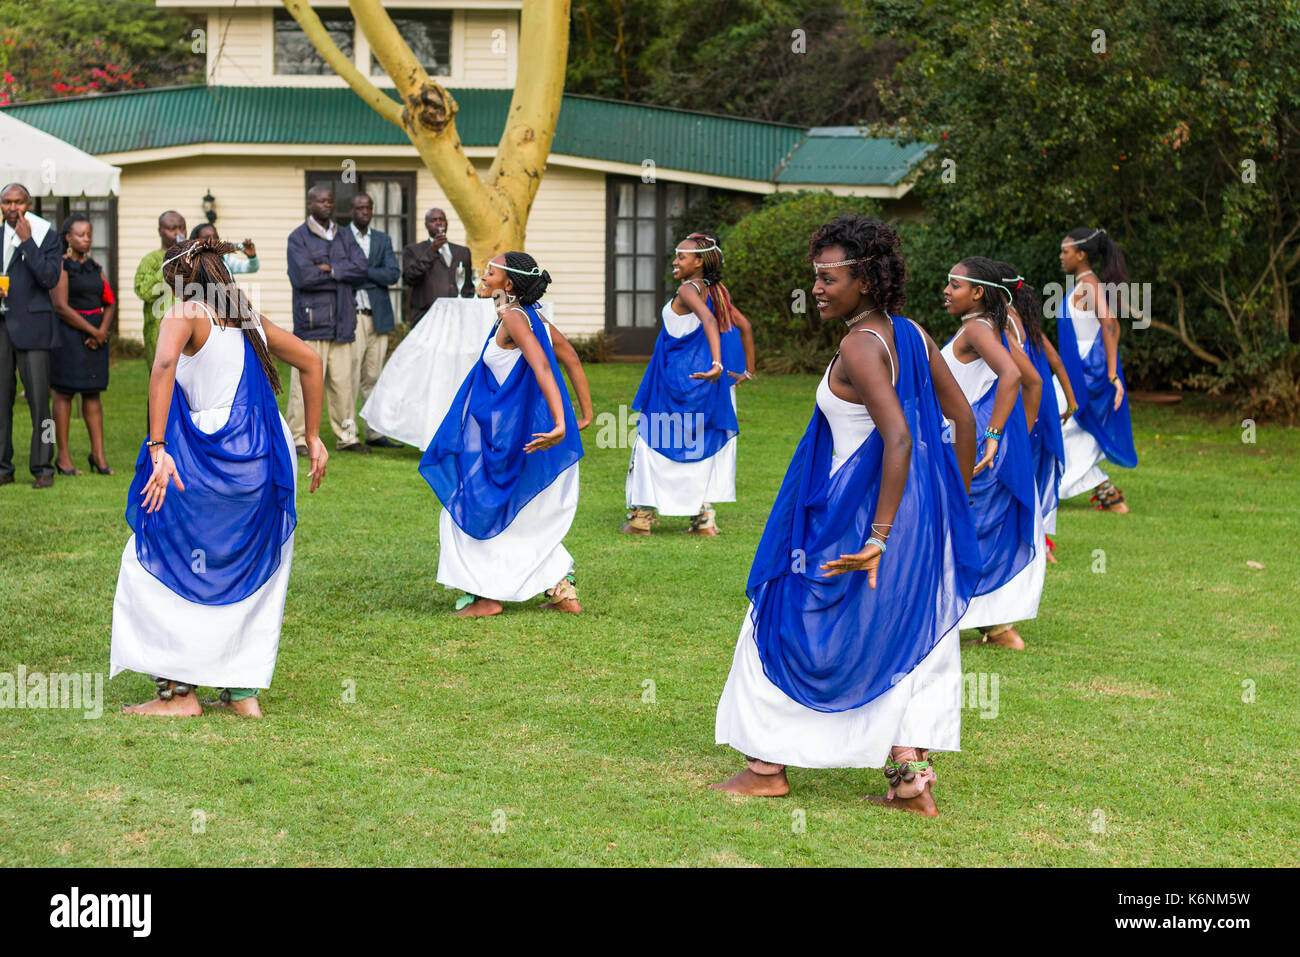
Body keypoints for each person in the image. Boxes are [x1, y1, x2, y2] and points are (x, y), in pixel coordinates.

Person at [713, 216, 981, 817]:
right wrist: (946, 508)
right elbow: (964, 421)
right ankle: (911, 783)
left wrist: (879, 537)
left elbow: (901, 439)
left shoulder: (861, 345)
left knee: (777, 624)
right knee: (902, 642)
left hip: (857, 519)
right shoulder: (911, 334)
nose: (819, 288)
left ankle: (765, 768)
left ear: (865, 280)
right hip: (915, 520)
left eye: (830, 278)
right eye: (816, 277)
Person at [111, 236, 328, 716]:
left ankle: (180, 695)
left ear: (178, 277)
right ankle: (240, 691)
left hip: (204, 462)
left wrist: (158, 446)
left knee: (158, 566)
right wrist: (312, 436)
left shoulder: (183, 313)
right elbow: (311, 362)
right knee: (247, 573)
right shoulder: (246, 319)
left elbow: (164, 364)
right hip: (264, 462)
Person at [419, 251, 590, 618]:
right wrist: (586, 412)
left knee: (464, 512)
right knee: (524, 518)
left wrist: (562, 422)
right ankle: (561, 588)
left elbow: (542, 363)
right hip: (520, 436)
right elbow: (571, 356)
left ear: (508, 284)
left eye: (491, 272)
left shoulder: (513, 317)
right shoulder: (531, 316)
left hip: (514, 440)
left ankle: (486, 598)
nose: (483, 275)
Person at [939, 257, 1043, 650]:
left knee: (961, 526)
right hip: (977, 442)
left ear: (978, 293)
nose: (946, 291)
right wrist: (1019, 434)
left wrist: (996, 433)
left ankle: (987, 623)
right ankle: (997, 627)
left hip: (972, 445)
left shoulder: (977, 329)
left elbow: (1015, 377)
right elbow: (1033, 381)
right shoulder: (992, 328)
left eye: (955, 285)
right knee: (972, 528)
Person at [621, 234, 734, 536]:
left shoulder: (688, 288)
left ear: (699, 261)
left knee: (649, 441)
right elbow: (732, 326)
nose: (674, 261)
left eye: (682, 256)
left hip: (679, 378)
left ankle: (641, 517)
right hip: (696, 379)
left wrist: (718, 364)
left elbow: (710, 322)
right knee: (692, 442)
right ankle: (703, 517)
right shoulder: (713, 289)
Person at [994, 261, 1078, 562]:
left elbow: (1019, 371)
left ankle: (1029, 538)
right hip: (1044, 402)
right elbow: (1054, 358)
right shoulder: (1024, 318)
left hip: (1025, 402)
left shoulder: (1002, 321)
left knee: (1018, 468)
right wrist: (1071, 400)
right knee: (1030, 467)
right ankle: (1036, 536)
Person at [285, 185, 371, 455]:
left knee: (344, 386)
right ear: (310, 204)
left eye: (330, 201)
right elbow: (303, 278)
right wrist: (341, 275)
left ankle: (347, 437)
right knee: (302, 386)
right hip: (311, 325)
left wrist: (331, 269)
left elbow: (362, 269)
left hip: (344, 323)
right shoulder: (298, 238)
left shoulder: (345, 235)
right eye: (321, 201)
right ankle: (297, 439)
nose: (326, 205)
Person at [1056, 227, 1138, 512]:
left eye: (1065, 251)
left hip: (1085, 373)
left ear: (1081, 254)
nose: (1061, 257)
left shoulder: (1089, 284)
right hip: (1075, 370)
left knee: (1054, 425)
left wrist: (1113, 374)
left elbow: (1110, 324)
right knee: (1065, 427)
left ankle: (1105, 493)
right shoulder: (1083, 284)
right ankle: (1107, 494)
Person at [0, 183, 62, 489]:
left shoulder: (46, 235)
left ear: (28, 204)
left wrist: (27, 243)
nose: (13, 208)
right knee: (1, 399)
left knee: (40, 402)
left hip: (35, 329)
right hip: (2, 327)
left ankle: (43, 467)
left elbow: (50, 277)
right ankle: (2, 467)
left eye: (18, 202)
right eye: (6, 202)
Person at [50, 213, 117, 476]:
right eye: (80, 234)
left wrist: (102, 331)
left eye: (89, 234)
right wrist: (94, 331)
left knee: (93, 394)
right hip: (68, 337)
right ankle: (63, 458)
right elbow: (60, 306)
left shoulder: (95, 267)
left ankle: (98, 456)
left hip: (95, 339)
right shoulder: (60, 266)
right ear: (68, 237)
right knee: (64, 393)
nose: (86, 239)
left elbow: (109, 301)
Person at [347, 193, 402, 448]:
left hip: (378, 316)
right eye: (359, 208)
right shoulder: (341, 238)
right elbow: (343, 275)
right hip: (351, 316)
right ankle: (348, 435)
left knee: (373, 377)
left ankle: (374, 433)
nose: (364, 211)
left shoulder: (383, 239)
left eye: (368, 207)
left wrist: (362, 273)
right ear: (352, 210)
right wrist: (371, 276)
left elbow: (392, 274)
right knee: (348, 377)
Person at [402, 207, 474, 325]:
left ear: (446, 223)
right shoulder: (413, 250)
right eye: (433, 220)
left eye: (441, 219)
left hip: (457, 317)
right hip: (427, 317)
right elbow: (410, 277)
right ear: (426, 225)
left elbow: (468, 285)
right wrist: (433, 250)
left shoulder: (463, 252)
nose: (438, 222)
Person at [134, 210, 187, 367]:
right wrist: (169, 264)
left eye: (182, 228)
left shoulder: (192, 258)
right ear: (160, 231)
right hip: (160, 334)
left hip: (191, 331)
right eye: (172, 229)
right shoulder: (150, 260)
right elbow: (143, 291)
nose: (178, 233)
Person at [190, 222, 259, 274]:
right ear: (195, 241)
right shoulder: (191, 264)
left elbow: (252, 268)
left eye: (215, 236)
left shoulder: (225, 259)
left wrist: (252, 256)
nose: (213, 240)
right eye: (207, 238)